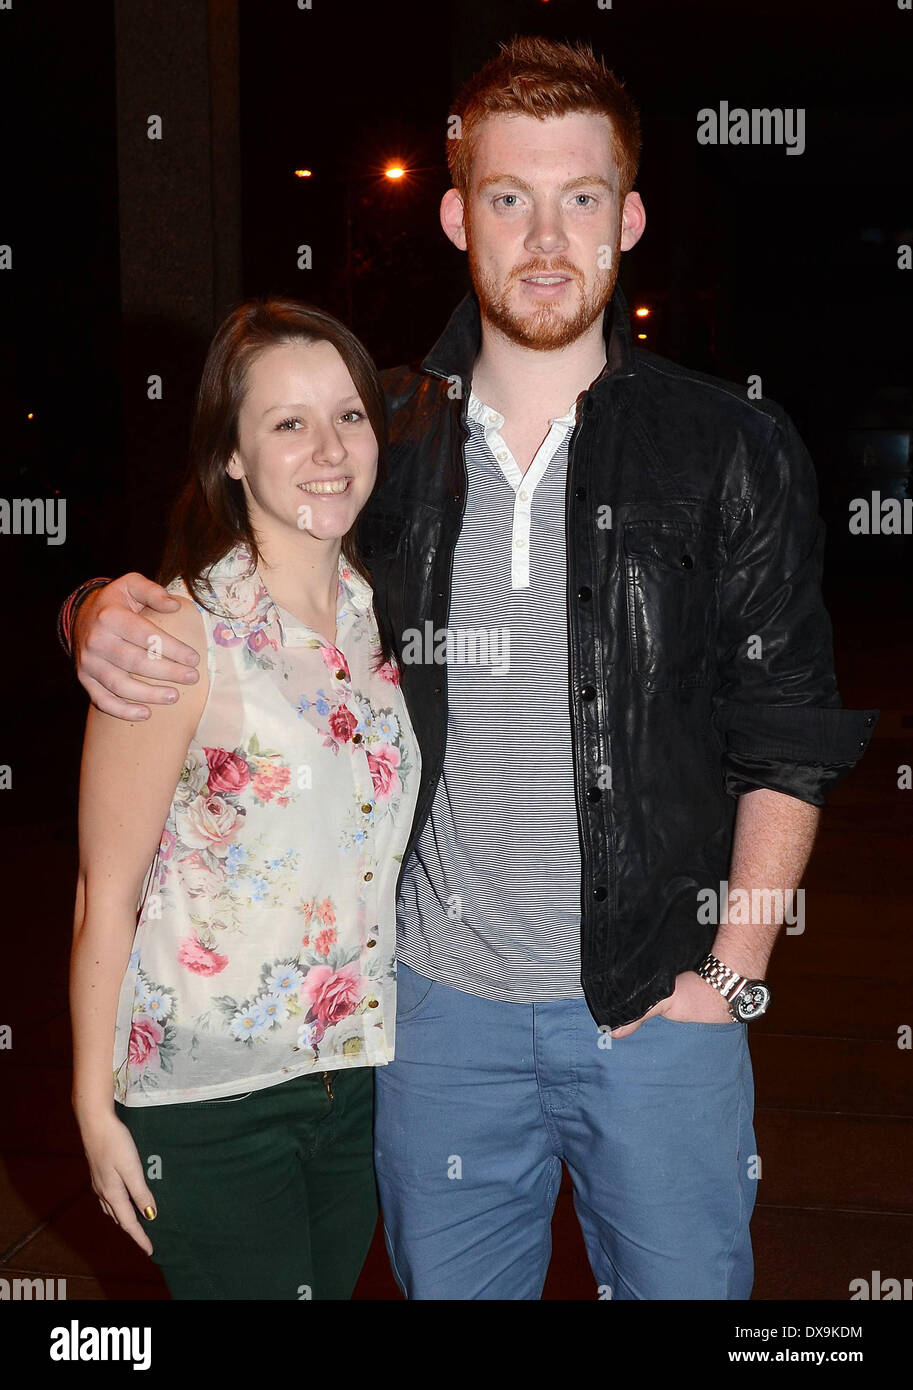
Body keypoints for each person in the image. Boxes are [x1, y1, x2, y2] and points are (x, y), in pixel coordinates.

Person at [62, 36, 878, 1300]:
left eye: (580, 197)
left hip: (657, 1008)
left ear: (628, 219)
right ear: (457, 218)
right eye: (508, 198)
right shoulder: (380, 439)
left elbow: (788, 729)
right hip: (433, 1023)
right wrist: (86, 611)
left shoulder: (729, 446)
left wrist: (734, 973)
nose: (545, 238)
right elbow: (219, 579)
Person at [69, 299, 420, 1299]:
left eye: (349, 416)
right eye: (287, 422)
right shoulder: (177, 636)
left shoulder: (384, 617)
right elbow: (105, 891)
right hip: (207, 1098)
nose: (329, 449)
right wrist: (93, 1108)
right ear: (231, 453)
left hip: (356, 1080)